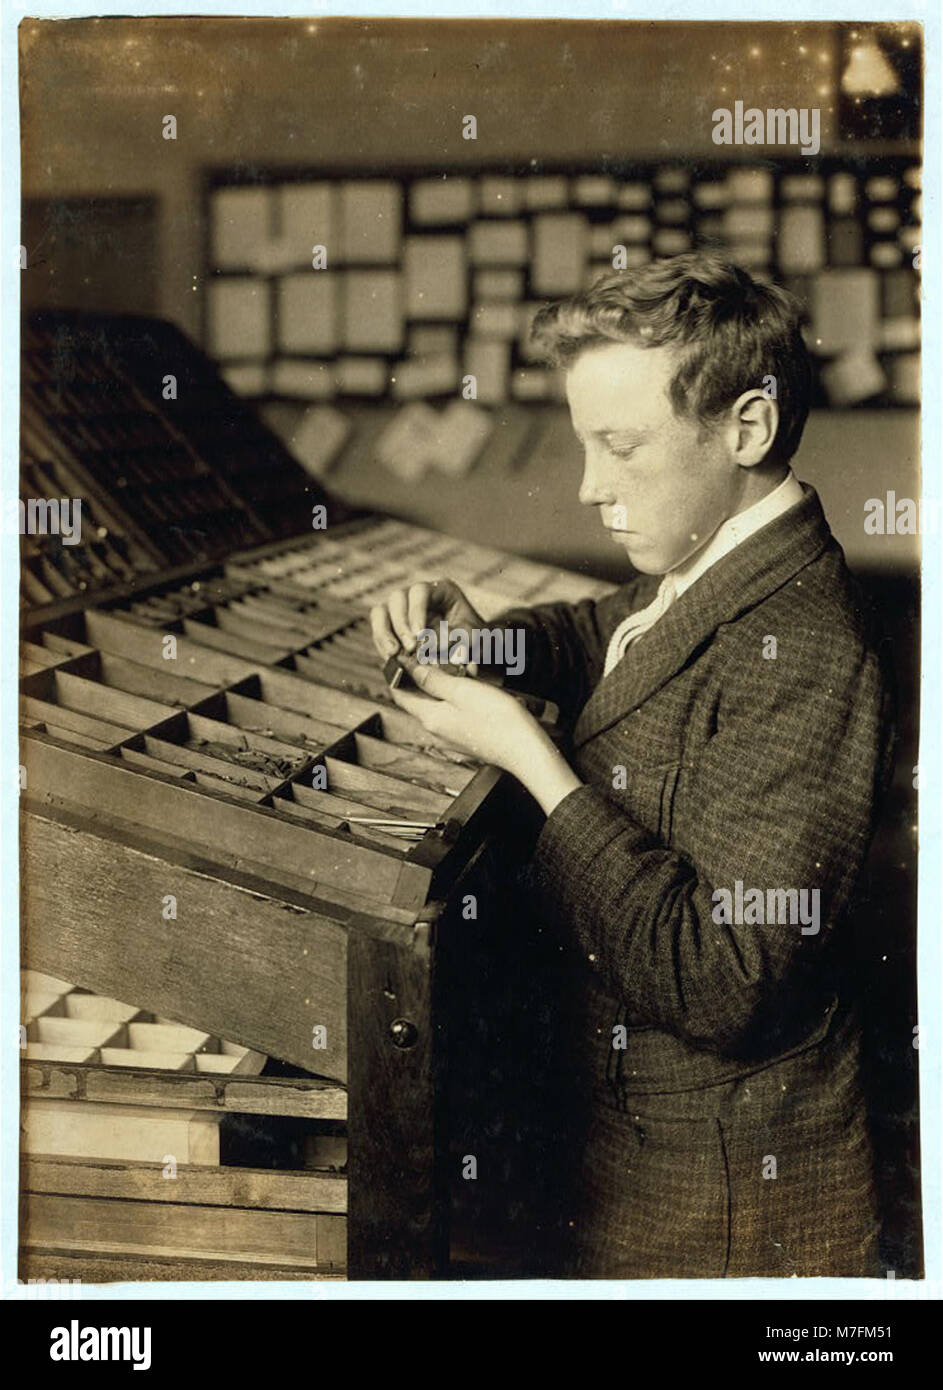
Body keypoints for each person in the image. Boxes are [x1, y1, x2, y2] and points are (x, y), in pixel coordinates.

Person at [369, 253, 896, 1278]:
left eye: (618, 446)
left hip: (732, 1192)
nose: (587, 486)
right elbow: (608, 636)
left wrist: (528, 758)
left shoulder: (809, 648)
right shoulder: (715, 561)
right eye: (581, 444)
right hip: (640, 1143)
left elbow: (724, 977)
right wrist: (481, 640)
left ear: (745, 426)